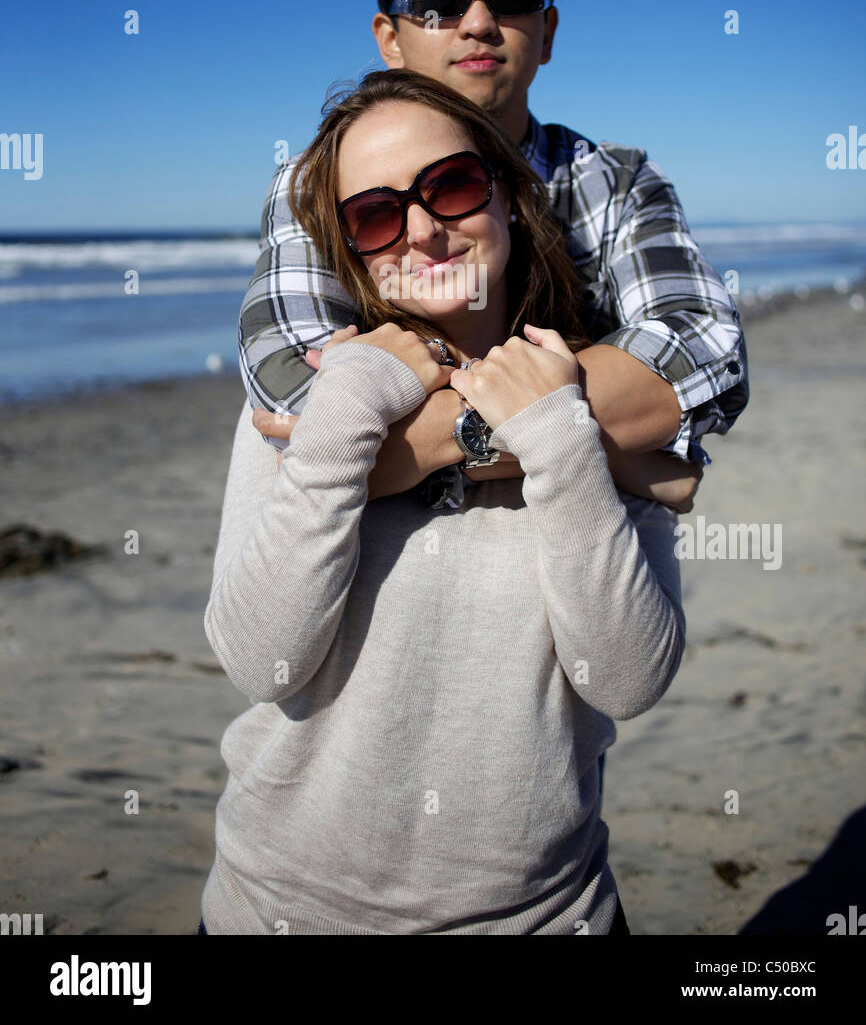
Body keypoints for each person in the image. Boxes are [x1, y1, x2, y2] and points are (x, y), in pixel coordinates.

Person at [200, 70, 686, 934]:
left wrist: (560, 438)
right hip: (275, 911)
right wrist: (349, 412)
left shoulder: (587, 397)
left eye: (451, 186)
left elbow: (628, 679)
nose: (422, 231)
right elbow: (258, 657)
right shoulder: (305, 407)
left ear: (506, 196)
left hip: (540, 917)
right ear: (347, 247)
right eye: (376, 215)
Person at [238, 0, 748, 514]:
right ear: (390, 38)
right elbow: (291, 393)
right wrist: (626, 457)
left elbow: (702, 354)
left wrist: (434, 438)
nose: (478, 22)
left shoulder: (612, 181)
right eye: (439, 3)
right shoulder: (320, 179)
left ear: (548, 32)